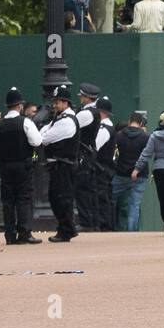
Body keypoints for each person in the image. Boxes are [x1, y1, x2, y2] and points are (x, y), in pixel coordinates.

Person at [0, 87, 42, 244]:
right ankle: (24, 233)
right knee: (24, 198)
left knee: (8, 200)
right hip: (23, 165)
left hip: (5, 166)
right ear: (20, 106)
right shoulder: (26, 122)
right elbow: (37, 141)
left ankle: (9, 234)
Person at [38, 84, 81, 242]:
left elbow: (44, 138)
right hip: (59, 165)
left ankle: (67, 229)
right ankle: (67, 228)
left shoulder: (66, 121)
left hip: (64, 165)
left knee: (62, 198)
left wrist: (45, 134)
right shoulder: (60, 118)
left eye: (57, 102)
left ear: (66, 103)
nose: (54, 105)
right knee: (56, 197)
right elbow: (43, 132)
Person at [112, 111, 151, 231]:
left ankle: (108, 226)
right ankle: (131, 232)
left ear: (129, 122)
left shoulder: (118, 135)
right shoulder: (145, 137)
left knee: (110, 199)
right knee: (134, 205)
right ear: (140, 123)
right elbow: (147, 155)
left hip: (121, 173)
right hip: (139, 175)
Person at [73, 82, 103, 230]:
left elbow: (72, 125)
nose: (80, 99)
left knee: (82, 189)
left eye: (82, 96)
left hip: (83, 155)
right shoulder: (95, 112)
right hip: (90, 153)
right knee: (90, 189)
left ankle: (86, 222)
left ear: (86, 98)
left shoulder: (85, 114)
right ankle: (93, 222)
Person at [92, 96, 117, 231]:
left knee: (102, 196)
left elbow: (95, 145)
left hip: (102, 168)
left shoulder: (105, 128)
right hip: (104, 167)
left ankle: (104, 224)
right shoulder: (106, 127)